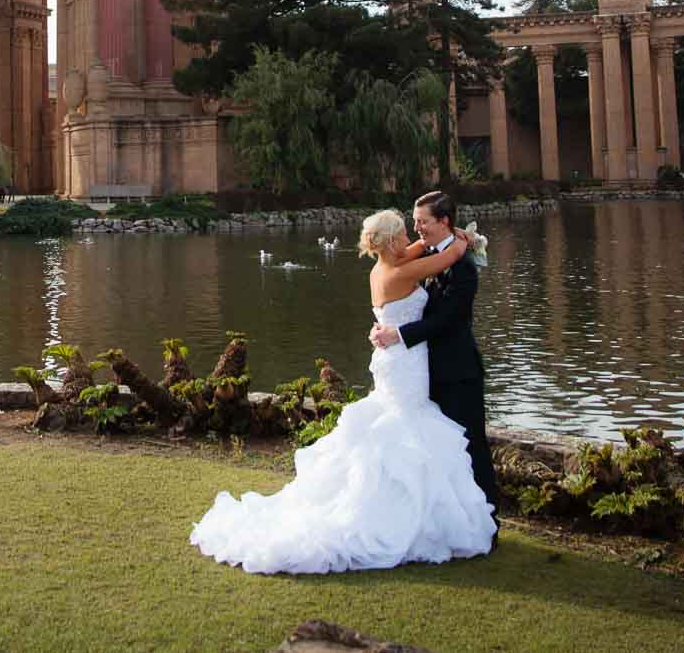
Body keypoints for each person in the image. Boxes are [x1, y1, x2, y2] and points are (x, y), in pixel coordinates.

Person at [188, 210, 497, 573]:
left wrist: (446, 234)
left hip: (396, 360)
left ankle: (419, 508)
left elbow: (419, 249)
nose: (409, 238)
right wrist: (463, 239)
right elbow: (449, 257)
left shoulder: (383, 268)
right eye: (403, 233)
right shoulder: (402, 271)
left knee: (402, 427)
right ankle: (404, 514)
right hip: (403, 363)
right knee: (406, 427)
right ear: (392, 241)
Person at [368, 192, 501, 511]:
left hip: (457, 371)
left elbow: (448, 318)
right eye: (412, 224)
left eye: (422, 221)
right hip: (420, 369)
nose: (416, 230)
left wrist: (394, 332)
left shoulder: (463, 268)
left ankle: (486, 517)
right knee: (434, 446)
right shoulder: (415, 262)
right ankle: (442, 513)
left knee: (471, 446)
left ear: (443, 221)